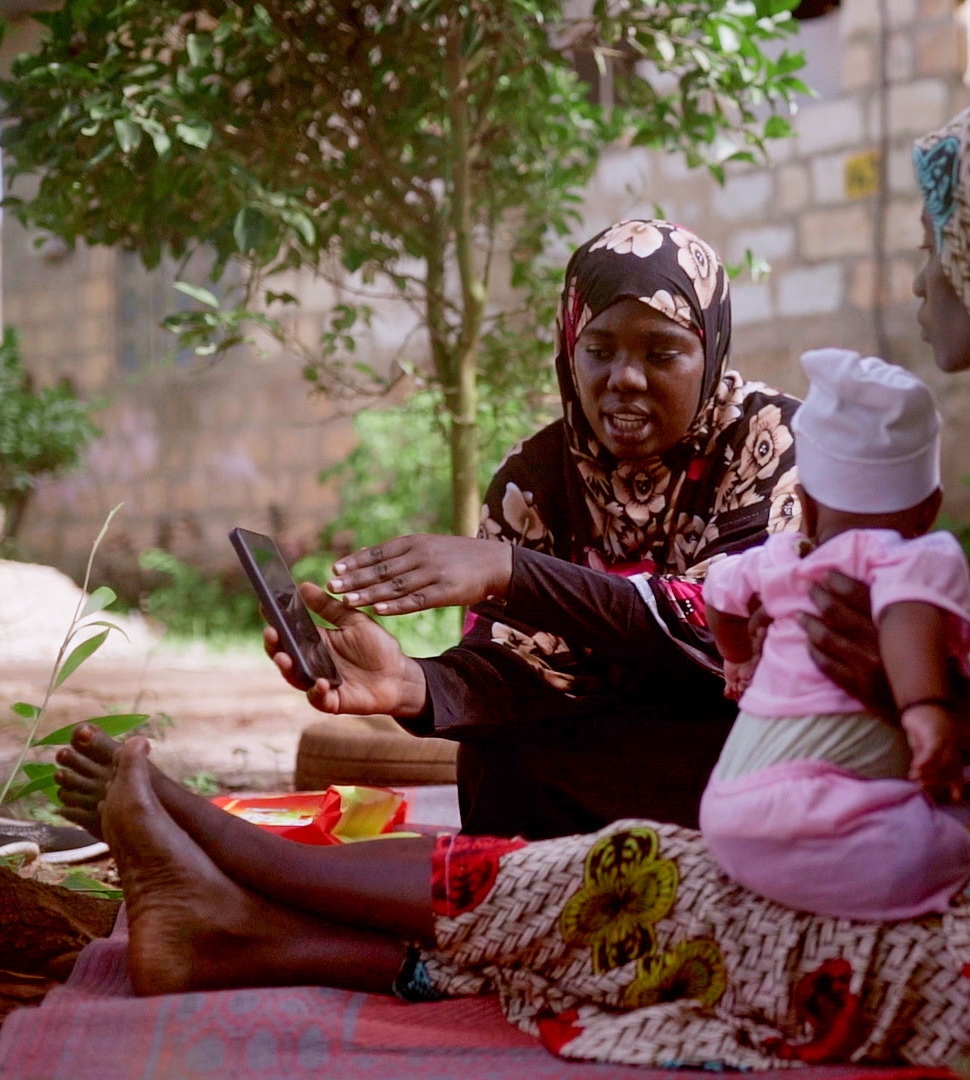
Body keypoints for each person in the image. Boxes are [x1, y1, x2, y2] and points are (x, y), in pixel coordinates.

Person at [57, 79, 970, 1078]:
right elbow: (567, 678)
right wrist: (414, 682)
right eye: (602, 345)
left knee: (671, 901)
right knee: (647, 881)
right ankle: (226, 916)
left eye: (944, 245)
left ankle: (217, 853)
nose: (918, 279)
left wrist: (929, 695)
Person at [272, 219, 801, 839]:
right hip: (613, 765)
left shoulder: (768, 440)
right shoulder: (538, 475)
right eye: (599, 351)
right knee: (499, 754)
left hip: (741, 755)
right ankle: (513, 915)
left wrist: (510, 570)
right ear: (570, 346)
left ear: (710, 350)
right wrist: (409, 684)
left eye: (661, 353)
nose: (624, 378)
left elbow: (715, 630)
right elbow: (520, 666)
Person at [699, 347, 970, 921]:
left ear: (802, 505)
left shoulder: (777, 557)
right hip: (827, 812)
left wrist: (738, 660)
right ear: (929, 509)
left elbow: (718, 596)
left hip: (727, 813)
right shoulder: (917, 557)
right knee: (960, 839)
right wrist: (924, 707)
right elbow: (905, 613)